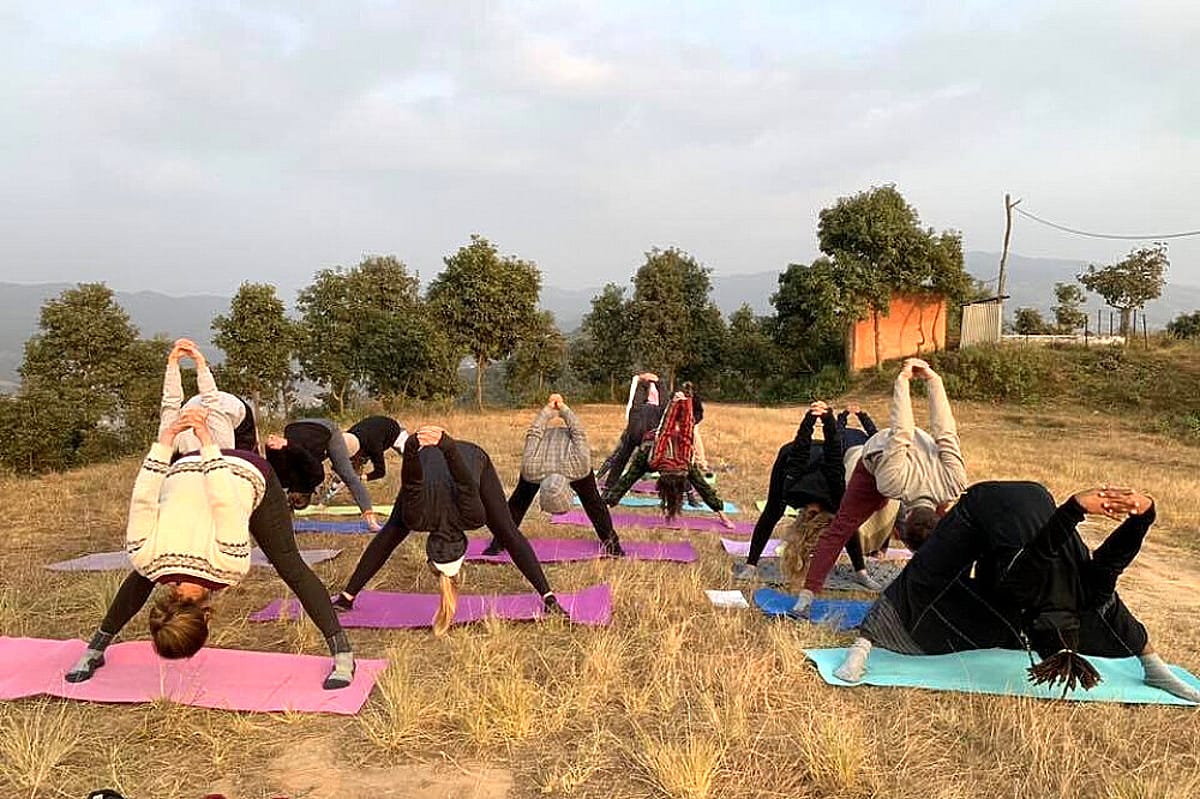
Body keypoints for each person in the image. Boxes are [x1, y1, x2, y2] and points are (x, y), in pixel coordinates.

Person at [66, 342, 356, 690]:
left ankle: (342, 653)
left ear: (207, 615)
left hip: (243, 471)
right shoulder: (146, 558)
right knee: (146, 573)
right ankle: (94, 648)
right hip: (187, 464)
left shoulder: (228, 567)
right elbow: (145, 495)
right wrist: (170, 440)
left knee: (290, 564)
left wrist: (206, 444)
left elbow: (224, 501)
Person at [832, 481, 1200, 703]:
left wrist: (1145, 513)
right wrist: (1075, 509)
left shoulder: (1088, 593)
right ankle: (864, 644)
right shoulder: (1033, 589)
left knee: (1107, 604)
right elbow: (1042, 550)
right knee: (926, 573)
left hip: (1036, 507)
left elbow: (1116, 556)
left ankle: (1154, 667)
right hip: (983, 506)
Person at [332, 427, 567, 627]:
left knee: (391, 533)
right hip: (457, 457)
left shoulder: (464, 518)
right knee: (507, 531)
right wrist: (423, 447)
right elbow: (441, 482)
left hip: (458, 457)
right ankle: (548, 598)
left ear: (465, 546)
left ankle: (347, 597)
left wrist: (431, 447)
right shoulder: (427, 517)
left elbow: (425, 484)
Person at [791, 358, 967, 614]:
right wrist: (906, 379)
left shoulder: (953, 483)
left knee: (942, 538)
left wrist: (932, 379)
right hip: (874, 465)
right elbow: (904, 433)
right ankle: (807, 596)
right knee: (841, 527)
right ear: (903, 519)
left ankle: (937, 595)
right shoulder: (905, 482)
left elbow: (942, 431)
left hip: (904, 461)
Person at [734, 401, 881, 590]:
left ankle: (861, 572)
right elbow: (829, 451)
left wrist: (815, 417)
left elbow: (823, 451)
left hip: (800, 459)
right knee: (772, 511)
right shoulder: (834, 494)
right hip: (792, 456)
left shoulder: (797, 490)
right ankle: (750, 565)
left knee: (846, 523)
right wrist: (823, 417)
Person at [483, 393, 625, 558]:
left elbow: (577, 431)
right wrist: (550, 409)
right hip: (543, 454)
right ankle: (499, 542)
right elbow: (535, 433)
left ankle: (612, 545)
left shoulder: (580, 467)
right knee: (517, 504)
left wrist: (560, 408)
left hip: (569, 454)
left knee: (594, 504)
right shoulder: (531, 470)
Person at [601, 391, 736, 529]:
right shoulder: (655, 456)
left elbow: (703, 488)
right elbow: (626, 481)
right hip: (652, 432)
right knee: (632, 466)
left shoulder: (680, 463)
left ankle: (676, 404)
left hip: (662, 435)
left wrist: (722, 514)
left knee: (632, 474)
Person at [265, 418, 383, 531]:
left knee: (348, 475)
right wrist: (284, 444)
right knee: (345, 473)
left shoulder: (284, 481)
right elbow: (306, 458)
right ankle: (370, 519)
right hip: (309, 428)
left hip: (309, 427)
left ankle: (371, 520)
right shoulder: (313, 478)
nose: (294, 499)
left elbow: (274, 459)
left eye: (294, 502)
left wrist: (270, 445)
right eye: (298, 502)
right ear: (305, 495)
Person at [317, 415, 408, 504]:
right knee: (346, 474)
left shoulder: (374, 446)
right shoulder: (345, 439)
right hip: (369, 431)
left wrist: (360, 478)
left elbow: (380, 472)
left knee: (414, 459)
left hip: (395, 433)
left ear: (357, 453)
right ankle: (324, 499)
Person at [596, 372, 666, 485]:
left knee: (622, 456)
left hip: (642, 427)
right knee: (621, 456)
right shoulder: (646, 400)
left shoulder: (652, 404)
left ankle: (609, 484)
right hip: (639, 427)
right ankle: (607, 483)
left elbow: (660, 402)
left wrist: (656, 382)